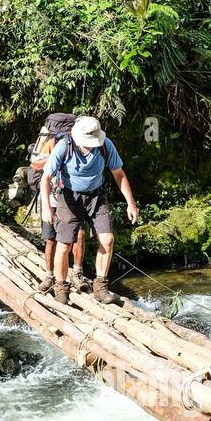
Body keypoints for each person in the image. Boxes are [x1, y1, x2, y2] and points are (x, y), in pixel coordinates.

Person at [39, 115, 139, 305]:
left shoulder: (105, 145)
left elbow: (119, 174)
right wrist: (46, 208)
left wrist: (131, 203)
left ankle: (100, 287)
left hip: (96, 196)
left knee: (108, 239)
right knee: (64, 244)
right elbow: (46, 178)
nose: (90, 145)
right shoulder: (64, 146)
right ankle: (61, 288)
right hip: (69, 197)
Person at [28, 130, 85, 294]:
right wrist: (55, 160)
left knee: (78, 234)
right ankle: (49, 275)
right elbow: (35, 165)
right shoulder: (53, 143)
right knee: (51, 239)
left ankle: (77, 272)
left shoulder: (77, 145)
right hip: (52, 199)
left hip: (70, 199)